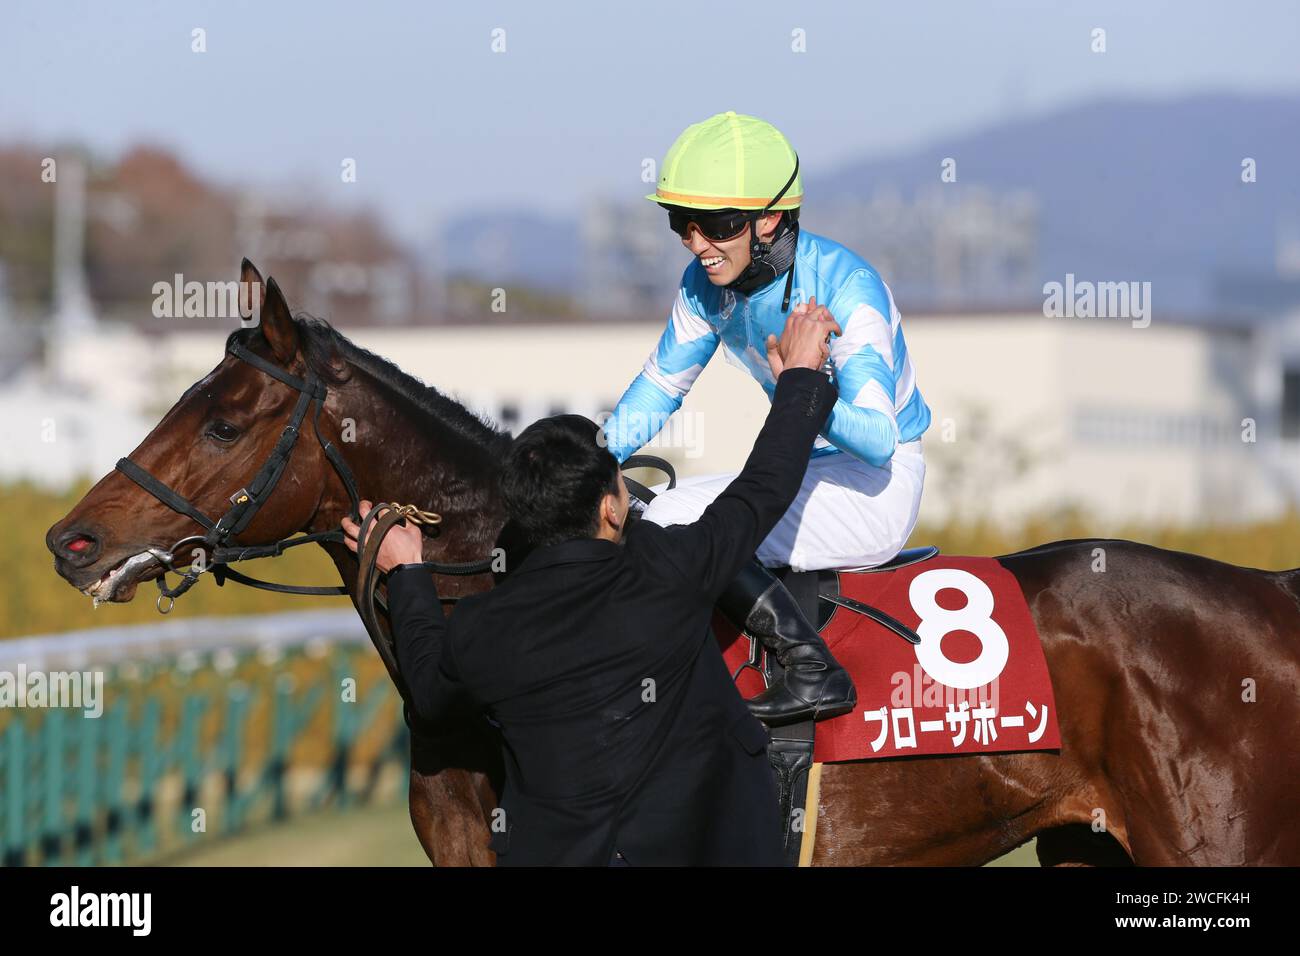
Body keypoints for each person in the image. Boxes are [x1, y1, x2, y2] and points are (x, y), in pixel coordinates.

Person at [342, 308, 841, 866]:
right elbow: (763, 489)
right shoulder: (667, 564)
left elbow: (431, 696)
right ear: (611, 506)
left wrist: (408, 572)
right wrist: (801, 375)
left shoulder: (485, 626)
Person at [603, 111, 932, 726]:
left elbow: (879, 442)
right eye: (683, 223)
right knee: (644, 510)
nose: (698, 243)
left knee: (679, 526)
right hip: (803, 473)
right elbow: (658, 388)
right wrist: (591, 460)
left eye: (718, 225)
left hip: (877, 486)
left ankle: (811, 669)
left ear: (770, 220)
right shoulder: (703, 287)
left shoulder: (846, 287)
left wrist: (803, 391)